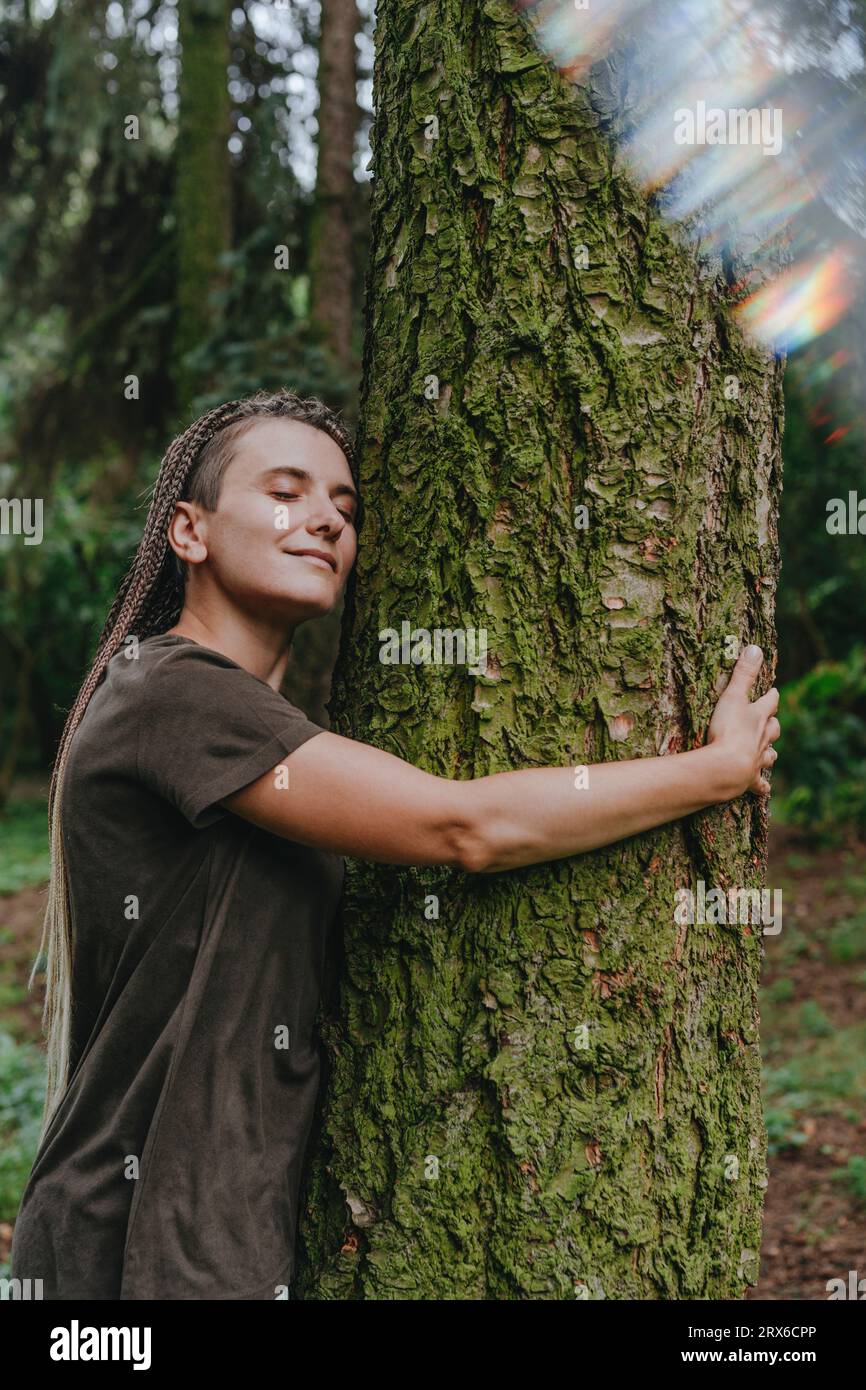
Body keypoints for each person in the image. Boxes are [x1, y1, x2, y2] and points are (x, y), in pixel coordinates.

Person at [10, 387, 781, 1300]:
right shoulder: (173, 692)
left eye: (345, 506)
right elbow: (465, 827)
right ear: (190, 530)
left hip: (201, 1234)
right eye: (287, 492)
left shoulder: (241, 721)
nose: (328, 522)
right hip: (136, 1248)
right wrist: (715, 771)